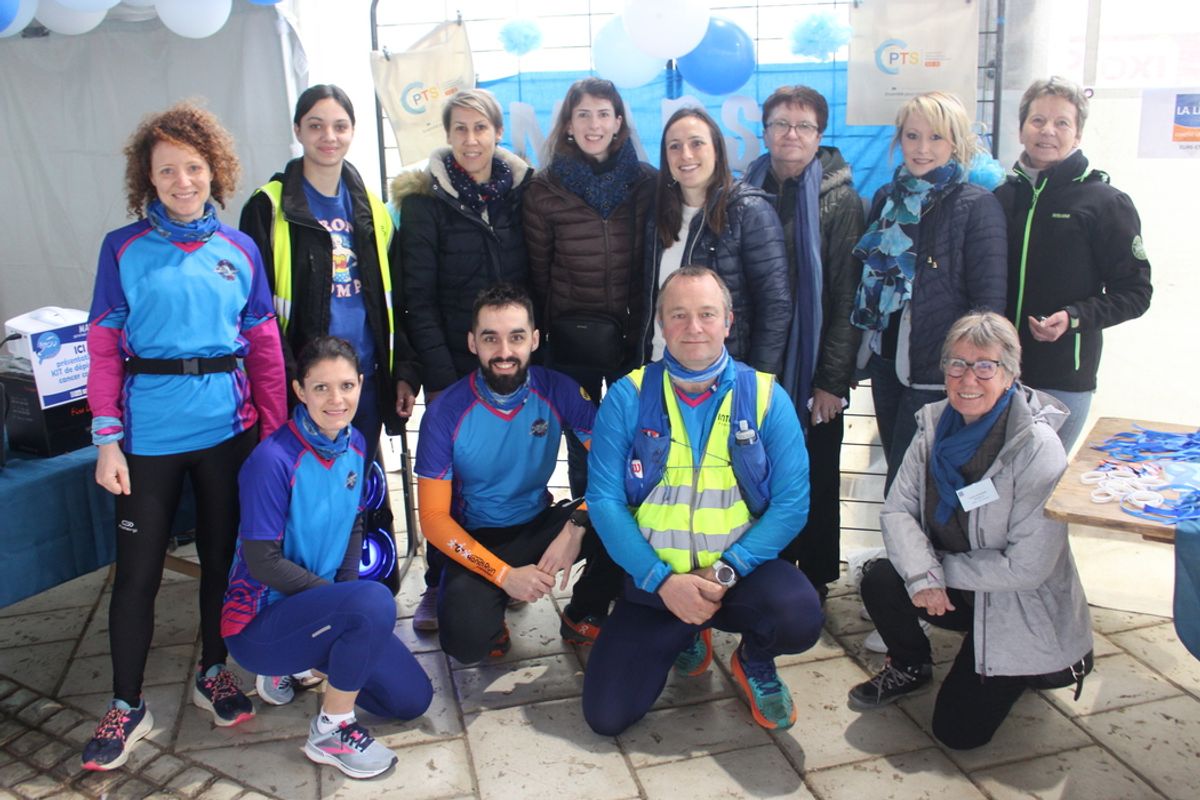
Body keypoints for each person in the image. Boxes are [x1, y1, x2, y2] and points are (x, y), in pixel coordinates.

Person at [82, 102, 287, 771]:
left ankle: (214, 670)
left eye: (193, 167)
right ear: (148, 177)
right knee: (137, 576)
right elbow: (106, 349)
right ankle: (125, 704)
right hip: (147, 443)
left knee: (223, 563)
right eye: (166, 169)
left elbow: (264, 352)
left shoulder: (241, 251)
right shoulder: (122, 248)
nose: (181, 180)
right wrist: (107, 439)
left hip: (228, 436)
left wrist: (277, 437)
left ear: (214, 170)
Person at [583, 266, 823, 735]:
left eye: (707, 314)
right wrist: (663, 582)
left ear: (728, 322)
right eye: (679, 315)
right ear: (660, 324)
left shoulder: (766, 397)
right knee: (606, 717)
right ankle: (687, 632)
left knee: (798, 614)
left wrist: (723, 571)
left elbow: (793, 504)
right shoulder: (627, 398)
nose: (693, 328)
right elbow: (605, 502)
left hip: (736, 577)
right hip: (656, 583)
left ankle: (754, 660)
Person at [847, 311, 1092, 750]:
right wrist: (922, 576)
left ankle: (1038, 665)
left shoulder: (1037, 448)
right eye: (956, 363)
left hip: (1015, 601)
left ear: (1012, 373)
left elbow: (1027, 569)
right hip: (956, 581)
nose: (967, 378)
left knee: (957, 734)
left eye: (985, 365)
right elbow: (898, 511)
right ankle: (910, 665)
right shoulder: (933, 424)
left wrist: (936, 573)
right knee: (882, 579)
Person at [222, 337, 433, 779]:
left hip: (317, 612)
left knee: (412, 700)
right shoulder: (272, 460)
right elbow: (262, 561)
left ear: (361, 386)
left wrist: (341, 601)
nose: (336, 400)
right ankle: (331, 730)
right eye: (321, 388)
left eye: (347, 386)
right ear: (299, 390)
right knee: (373, 601)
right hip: (259, 627)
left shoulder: (356, 443)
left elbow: (355, 525)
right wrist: (343, 602)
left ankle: (303, 660)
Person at [414, 284, 622, 662]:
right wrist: (504, 576)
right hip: (477, 537)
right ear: (472, 342)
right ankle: (492, 613)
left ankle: (583, 611)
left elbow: (615, 468)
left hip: (539, 524)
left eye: (517, 337)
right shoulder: (445, 412)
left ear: (535, 340)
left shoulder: (559, 390)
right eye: (491, 338)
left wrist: (576, 525)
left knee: (629, 513)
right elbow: (432, 519)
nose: (505, 352)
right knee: (466, 644)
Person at [392, 88, 534, 629]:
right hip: (452, 364)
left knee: (508, 473)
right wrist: (444, 380)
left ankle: (505, 572)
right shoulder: (425, 202)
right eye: (460, 130)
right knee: (451, 484)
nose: (471, 140)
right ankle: (440, 583)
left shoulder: (522, 194)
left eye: (481, 128)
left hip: (511, 363)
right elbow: (416, 300)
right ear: (447, 136)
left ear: (497, 132)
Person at [523, 78, 654, 639]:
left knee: (636, 461)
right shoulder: (545, 187)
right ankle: (586, 591)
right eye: (584, 114)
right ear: (568, 124)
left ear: (620, 122)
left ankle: (622, 576)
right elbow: (535, 271)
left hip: (633, 343)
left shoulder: (649, 185)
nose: (595, 124)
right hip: (569, 349)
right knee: (586, 462)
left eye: (605, 113)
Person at [239, 84, 420, 467]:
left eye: (340, 126)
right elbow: (254, 311)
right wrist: (286, 384)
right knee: (308, 491)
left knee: (360, 488)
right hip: (305, 385)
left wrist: (402, 371)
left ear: (353, 132)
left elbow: (398, 301)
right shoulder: (268, 207)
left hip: (365, 379)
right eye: (316, 126)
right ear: (298, 130)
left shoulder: (375, 209)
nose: (329, 137)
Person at [743, 85, 866, 601]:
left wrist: (831, 382)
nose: (791, 135)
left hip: (815, 369)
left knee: (814, 474)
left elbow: (847, 298)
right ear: (765, 130)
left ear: (820, 135)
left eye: (804, 126)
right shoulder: (744, 190)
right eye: (780, 124)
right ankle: (764, 574)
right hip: (758, 364)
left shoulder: (842, 201)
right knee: (759, 474)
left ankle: (812, 581)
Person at [851, 91, 1008, 493]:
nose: (922, 149)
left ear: (956, 142)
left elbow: (988, 307)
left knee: (910, 486)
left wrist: (969, 373)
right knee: (901, 473)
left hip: (941, 375)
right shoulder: (888, 199)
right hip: (887, 363)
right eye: (912, 135)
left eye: (936, 137)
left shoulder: (976, 205)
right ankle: (900, 556)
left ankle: (910, 558)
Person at [995, 76, 1152, 451]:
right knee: (989, 491)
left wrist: (1074, 317)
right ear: (1020, 130)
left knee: (1038, 493)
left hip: (1062, 379)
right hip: (993, 374)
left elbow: (1136, 292)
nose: (1048, 131)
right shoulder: (999, 196)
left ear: (1078, 135)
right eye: (1037, 120)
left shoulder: (1105, 203)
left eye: (1062, 123)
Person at [640, 107, 790, 375]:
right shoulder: (657, 214)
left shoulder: (750, 210)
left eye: (697, 143)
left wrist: (758, 380)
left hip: (726, 373)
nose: (686, 155)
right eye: (675, 146)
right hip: (661, 366)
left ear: (717, 150)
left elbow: (775, 306)